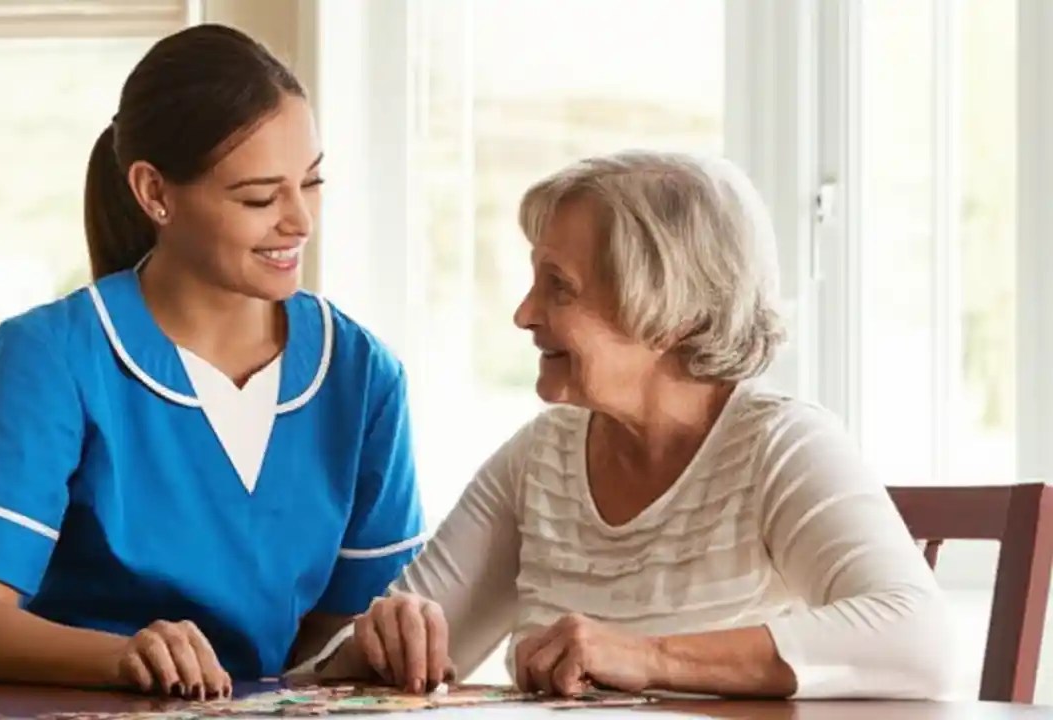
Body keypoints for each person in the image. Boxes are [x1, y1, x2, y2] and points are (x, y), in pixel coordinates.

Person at [318, 151, 954, 700]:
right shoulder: (540, 457)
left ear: (668, 309)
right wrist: (376, 643)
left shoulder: (779, 445)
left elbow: (918, 640)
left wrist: (649, 657)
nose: (524, 313)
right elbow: (375, 662)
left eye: (558, 287)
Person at [0, 24, 425, 700]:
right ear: (155, 193)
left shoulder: (361, 375)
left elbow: (344, 630)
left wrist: (390, 640)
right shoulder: (54, 356)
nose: (300, 220)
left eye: (313, 181)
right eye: (259, 197)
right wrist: (124, 657)